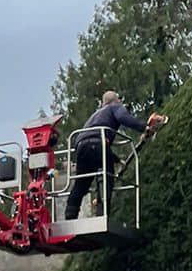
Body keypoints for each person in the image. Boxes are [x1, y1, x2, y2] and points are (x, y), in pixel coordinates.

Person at [63, 91, 166, 220]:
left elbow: (98, 143)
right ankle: (102, 214)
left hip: (81, 145)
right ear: (116, 100)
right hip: (98, 142)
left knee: (81, 184)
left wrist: (117, 160)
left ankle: (69, 216)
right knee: (107, 177)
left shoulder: (95, 116)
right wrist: (144, 128)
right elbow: (124, 118)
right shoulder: (114, 107)